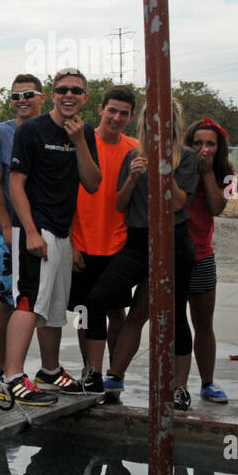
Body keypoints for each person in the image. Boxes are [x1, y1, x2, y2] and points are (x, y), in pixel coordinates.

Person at [82, 102, 197, 407]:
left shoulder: (185, 156)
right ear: (145, 122)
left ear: (175, 124)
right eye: (153, 120)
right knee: (97, 299)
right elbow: (120, 205)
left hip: (173, 241)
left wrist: (163, 165)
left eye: (167, 121)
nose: (159, 127)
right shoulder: (133, 155)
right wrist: (133, 177)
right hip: (138, 240)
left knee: (172, 315)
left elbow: (177, 203)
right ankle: (104, 375)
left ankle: (179, 387)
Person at [0, 68, 102, 405]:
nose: (69, 95)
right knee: (29, 299)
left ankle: (49, 370)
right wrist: (29, 232)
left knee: (55, 307)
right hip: (35, 227)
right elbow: (15, 184)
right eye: (62, 90)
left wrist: (79, 143)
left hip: (61, 231)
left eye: (76, 90)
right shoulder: (31, 131)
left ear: (85, 97)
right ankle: (12, 376)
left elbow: (92, 183)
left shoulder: (85, 132)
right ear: (53, 95)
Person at [68, 85, 138, 392]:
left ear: (131, 116)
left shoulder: (135, 149)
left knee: (114, 310)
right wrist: (70, 242)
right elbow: (66, 194)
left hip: (119, 244)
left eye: (124, 113)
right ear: (100, 110)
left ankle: (113, 371)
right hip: (82, 241)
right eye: (112, 110)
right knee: (83, 312)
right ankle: (89, 369)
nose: (117, 117)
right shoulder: (81, 143)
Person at [0, 74, 48, 383]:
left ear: (42, 97)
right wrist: (5, 227)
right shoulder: (0, 134)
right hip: (14, 231)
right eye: (16, 96)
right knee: (9, 299)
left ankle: (49, 368)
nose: (22, 101)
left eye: (28, 94)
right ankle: (0, 365)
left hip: (49, 228)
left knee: (47, 300)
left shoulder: (54, 130)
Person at [185, 117, 232, 403]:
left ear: (219, 147)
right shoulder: (179, 165)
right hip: (176, 252)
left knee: (203, 322)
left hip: (203, 254)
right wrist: (192, 171)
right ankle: (172, 382)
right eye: (198, 143)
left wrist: (206, 175)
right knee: (174, 322)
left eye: (210, 144)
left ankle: (208, 382)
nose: (204, 149)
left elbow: (218, 207)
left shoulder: (227, 173)